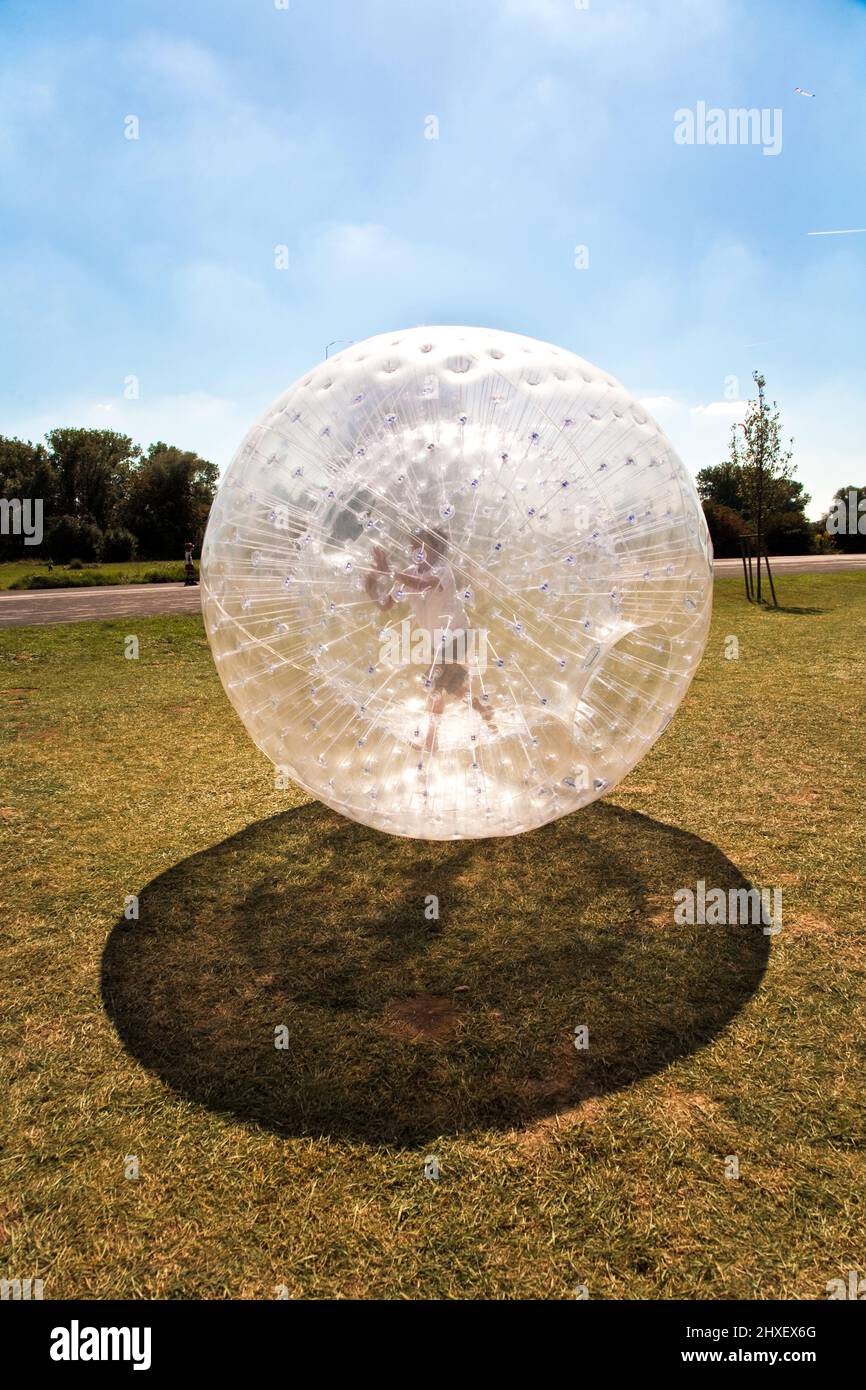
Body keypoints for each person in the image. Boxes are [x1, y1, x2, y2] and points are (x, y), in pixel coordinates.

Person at [364, 526, 495, 753]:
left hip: (456, 634)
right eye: (413, 544)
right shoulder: (409, 572)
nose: (415, 547)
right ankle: (483, 709)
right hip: (440, 640)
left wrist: (390, 572)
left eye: (421, 544)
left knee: (433, 685)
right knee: (450, 684)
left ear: (437, 549)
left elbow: (424, 585)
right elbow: (386, 605)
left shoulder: (442, 570)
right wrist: (371, 587)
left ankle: (431, 741)